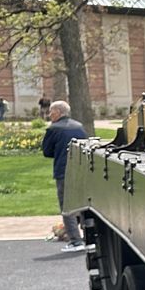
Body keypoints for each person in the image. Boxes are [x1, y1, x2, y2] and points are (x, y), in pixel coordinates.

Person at [41, 100, 87, 251]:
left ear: (58, 113)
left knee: (67, 207)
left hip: (63, 171)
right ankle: (89, 237)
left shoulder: (53, 129)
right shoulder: (79, 126)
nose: (49, 115)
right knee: (83, 205)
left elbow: (47, 151)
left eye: (51, 112)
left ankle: (75, 241)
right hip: (81, 170)